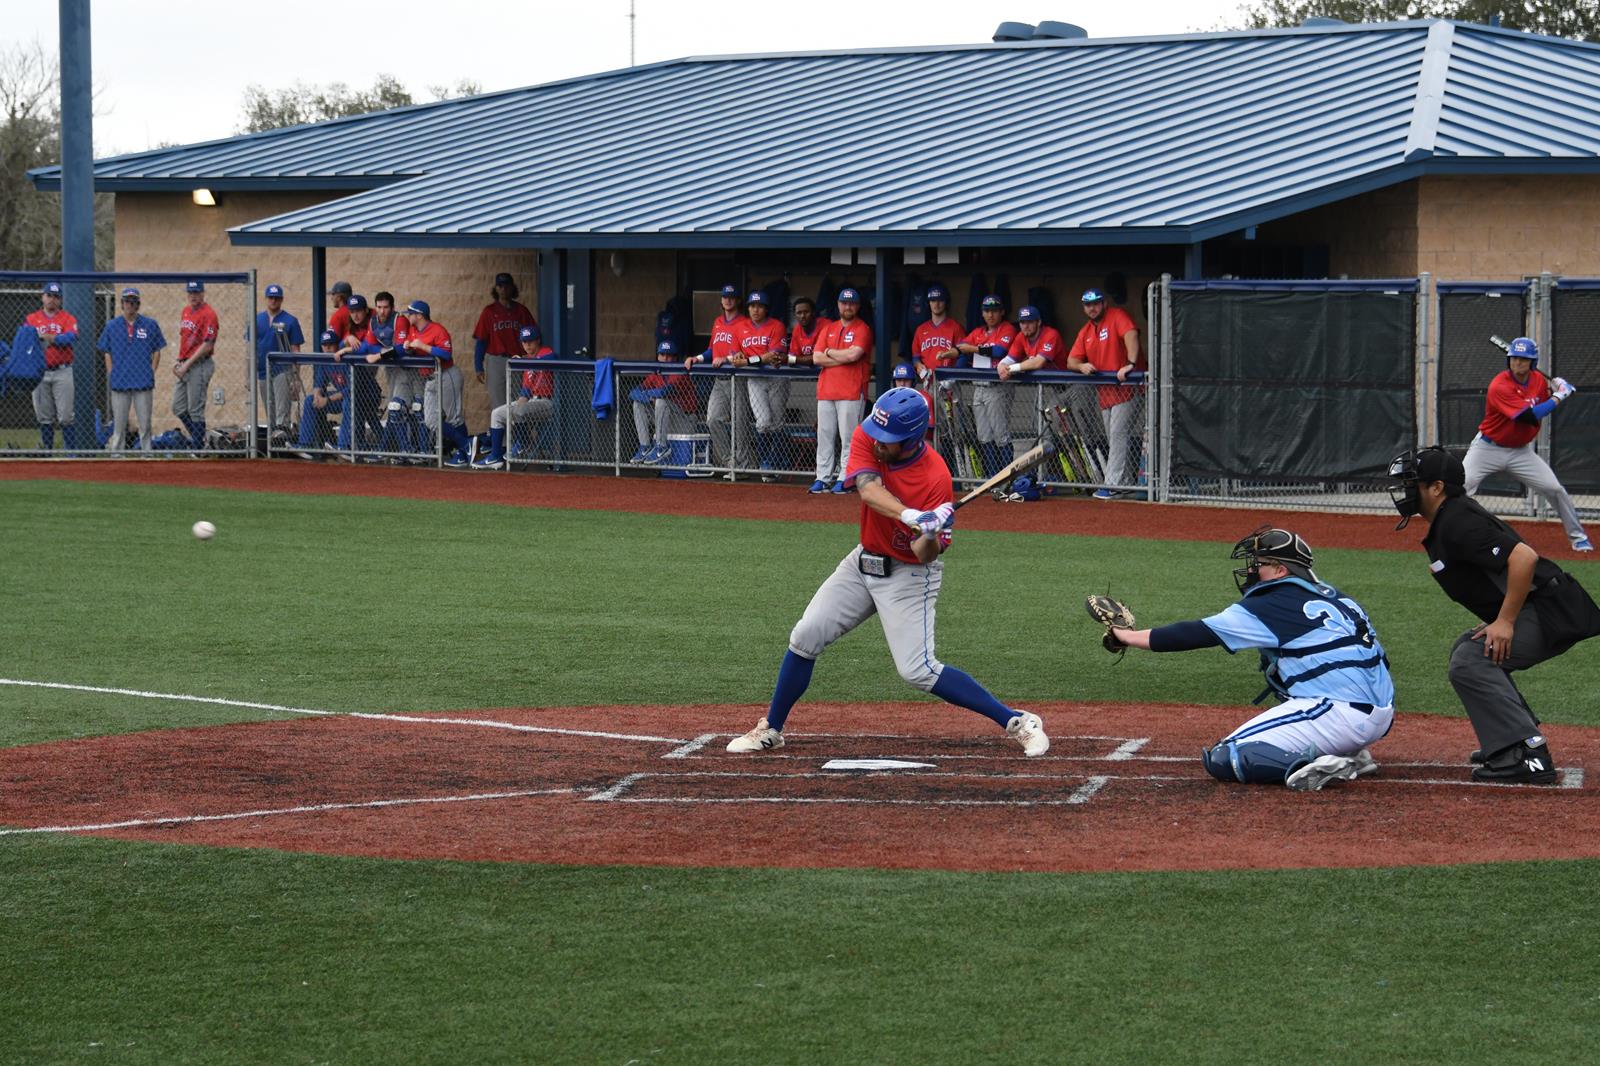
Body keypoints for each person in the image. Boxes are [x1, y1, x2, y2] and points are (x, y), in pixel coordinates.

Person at [727, 386, 1048, 757]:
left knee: (918, 670)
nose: (878, 442)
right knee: (807, 633)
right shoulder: (869, 433)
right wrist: (910, 514)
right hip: (863, 561)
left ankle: (1018, 721)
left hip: (909, 576)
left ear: (912, 439)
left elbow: (923, 555)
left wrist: (929, 531)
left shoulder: (935, 480)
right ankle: (772, 728)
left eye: (889, 440)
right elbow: (867, 489)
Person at [1103, 526, 1396, 791]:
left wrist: (1126, 636)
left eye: (1259, 563)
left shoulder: (1271, 603)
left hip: (1338, 714)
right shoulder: (1337, 598)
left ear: (1280, 570)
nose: (1252, 569)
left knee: (1226, 757)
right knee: (1289, 671)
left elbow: (1196, 633)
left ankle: (1311, 766)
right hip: (1380, 713)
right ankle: (1349, 750)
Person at [1389, 446, 1600, 783]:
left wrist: (1505, 621)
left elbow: (1524, 558)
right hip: (1545, 605)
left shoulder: (1457, 521)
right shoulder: (1450, 518)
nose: (1405, 491)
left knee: (1472, 660)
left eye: (1412, 483)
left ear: (1437, 488)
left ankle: (1527, 753)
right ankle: (1505, 739)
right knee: (1468, 646)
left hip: (1552, 611)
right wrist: (1499, 617)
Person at [1462, 336, 1590, 552]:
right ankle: (1448, 533)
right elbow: (1528, 416)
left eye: (1523, 359)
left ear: (1532, 363)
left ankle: (1578, 538)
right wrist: (1560, 395)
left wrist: (1553, 390)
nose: (1517, 363)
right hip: (1487, 448)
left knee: (1554, 488)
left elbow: (1541, 402)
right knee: (1460, 488)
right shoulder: (1499, 385)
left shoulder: (1538, 381)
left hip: (1521, 452)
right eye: (1514, 358)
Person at [1064, 288, 1142, 499]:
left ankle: (1112, 484)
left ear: (1104, 303)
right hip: (1105, 394)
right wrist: (1081, 367)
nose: (1092, 308)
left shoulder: (1117, 316)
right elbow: (1071, 361)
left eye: (1096, 303)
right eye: (1088, 305)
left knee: (1117, 435)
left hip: (1128, 388)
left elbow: (1131, 335)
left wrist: (1131, 364)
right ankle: (1124, 483)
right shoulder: (1086, 331)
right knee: (1114, 437)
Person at [810, 287, 874, 495]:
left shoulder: (862, 328)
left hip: (851, 391)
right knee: (825, 436)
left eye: (852, 303)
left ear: (857, 306)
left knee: (849, 438)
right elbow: (816, 357)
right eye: (844, 303)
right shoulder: (828, 328)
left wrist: (829, 353)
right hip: (826, 391)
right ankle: (823, 477)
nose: (848, 306)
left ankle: (846, 477)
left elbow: (853, 356)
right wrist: (837, 356)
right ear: (838, 305)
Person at [396, 300, 473, 466]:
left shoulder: (438, 330)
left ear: (419, 315)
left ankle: (462, 453)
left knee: (454, 418)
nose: (408, 316)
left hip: (447, 375)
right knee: (430, 420)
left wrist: (423, 346)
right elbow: (409, 348)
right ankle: (467, 444)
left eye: (411, 313)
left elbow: (446, 354)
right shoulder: (413, 330)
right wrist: (408, 348)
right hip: (430, 379)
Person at [685, 284, 752, 475]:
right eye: (725, 297)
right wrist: (696, 358)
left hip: (738, 378)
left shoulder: (745, 323)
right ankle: (730, 462)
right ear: (721, 300)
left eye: (732, 297)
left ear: (738, 300)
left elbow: (745, 353)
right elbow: (711, 350)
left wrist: (727, 359)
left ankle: (742, 467)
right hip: (719, 380)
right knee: (713, 419)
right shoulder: (718, 322)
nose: (728, 300)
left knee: (740, 423)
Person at [951, 294, 1019, 480]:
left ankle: (1007, 478)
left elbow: (999, 351)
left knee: (1000, 433)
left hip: (998, 387)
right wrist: (953, 356)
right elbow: (961, 350)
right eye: (987, 311)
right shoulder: (978, 332)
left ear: (1002, 312)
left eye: (995, 311)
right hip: (978, 388)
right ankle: (991, 477)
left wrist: (972, 349)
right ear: (982, 313)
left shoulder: (1008, 329)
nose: (991, 315)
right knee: (984, 435)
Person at [473, 324, 556, 469]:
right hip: (531, 402)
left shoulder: (545, 351)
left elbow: (551, 358)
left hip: (547, 402)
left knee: (519, 410)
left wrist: (524, 360)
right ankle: (495, 457)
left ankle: (523, 443)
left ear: (538, 340)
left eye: (531, 341)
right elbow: (525, 392)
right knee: (497, 413)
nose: (528, 344)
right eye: (524, 342)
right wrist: (517, 402)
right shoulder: (527, 362)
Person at [96, 287, 166, 454]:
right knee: (119, 425)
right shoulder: (112, 326)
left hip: (143, 381)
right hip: (120, 381)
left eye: (133, 301)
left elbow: (157, 349)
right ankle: (117, 455)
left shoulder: (150, 325)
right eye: (127, 301)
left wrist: (152, 370)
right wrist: (111, 372)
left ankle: (147, 455)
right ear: (122, 304)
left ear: (138, 304)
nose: (130, 304)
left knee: (145, 424)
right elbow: (107, 351)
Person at [733, 291, 791, 481]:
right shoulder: (740, 327)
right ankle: (765, 461)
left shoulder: (777, 325)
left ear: (766, 309)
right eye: (752, 306)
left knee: (777, 422)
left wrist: (749, 360)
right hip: (755, 379)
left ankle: (776, 463)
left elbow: (773, 356)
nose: (755, 310)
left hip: (777, 378)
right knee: (763, 422)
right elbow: (736, 356)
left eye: (759, 306)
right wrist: (747, 359)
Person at [625, 339, 698, 465]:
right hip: (665, 420)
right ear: (658, 356)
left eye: (669, 355)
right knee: (637, 403)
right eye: (662, 355)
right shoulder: (657, 373)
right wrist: (647, 396)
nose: (665, 358)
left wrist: (647, 394)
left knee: (660, 401)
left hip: (685, 421)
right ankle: (645, 447)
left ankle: (661, 446)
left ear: (675, 358)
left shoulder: (680, 371)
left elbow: (664, 392)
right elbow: (632, 393)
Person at [473, 272, 539, 412]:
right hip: (496, 360)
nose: (503, 289)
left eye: (506, 286)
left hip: (518, 360)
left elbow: (535, 338)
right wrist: (478, 366)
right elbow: (481, 340)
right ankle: (501, 434)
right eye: (500, 286)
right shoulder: (489, 312)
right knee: (498, 405)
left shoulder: (521, 311)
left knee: (519, 402)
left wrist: (533, 360)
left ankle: (518, 434)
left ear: (512, 288)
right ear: (496, 289)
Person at [26, 281, 79, 451]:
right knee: (44, 416)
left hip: (62, 370)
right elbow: (27, 340)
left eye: (56, 297)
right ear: (43, 297)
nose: (52, 299)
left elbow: (71, 338)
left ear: (60, 300)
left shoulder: (67, 318)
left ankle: (70, 453)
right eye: (49, 295)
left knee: (65, 416)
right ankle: (47, 451)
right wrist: (56, 338)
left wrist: (49, 338)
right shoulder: (32, 318)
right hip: (39, 371)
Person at [332, 294, 384, 454]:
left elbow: (365, 347)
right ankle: (359, 444)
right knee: (360, 407)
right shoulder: (352, 327)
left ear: (365, 310)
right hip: (361, 380)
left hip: (370, 376)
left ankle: (345, 445)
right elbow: (340, 343)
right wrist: (347, 339)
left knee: (354, 401)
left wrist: (347, 346)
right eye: (352, 311)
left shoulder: (373, 322)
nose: (355, 315)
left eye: (359, 311)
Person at [173, 280, 219, 449]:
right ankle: (202, 441)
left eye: (197, 293)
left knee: (195, 410)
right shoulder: (186, 311)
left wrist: (187, 364)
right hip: (185, 363)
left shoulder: (209, 314)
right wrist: (179, 361)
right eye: (191, 293)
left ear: (203, 293)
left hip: (200, 364)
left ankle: (199, 449)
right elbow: (185, 339)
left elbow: (208, 344)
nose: (193, 296)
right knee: (177, 406)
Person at [254, 283, 304, 435]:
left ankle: (281, 441)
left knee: (282, 411)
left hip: (282, 370)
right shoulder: (258, 319)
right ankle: (272, 445)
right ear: (266, 299)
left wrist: (296, 378)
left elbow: (296, 350)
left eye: (276, 298)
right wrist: (248, 375)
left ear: (281, 299)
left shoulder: (290, 320)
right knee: (270, 411)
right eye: (270, 297)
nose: (273, 301)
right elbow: (250, 348)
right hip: (262, 371)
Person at [296, 329, 347, 455]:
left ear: (337, 344)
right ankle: (306, 445)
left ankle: (343, 446)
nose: (328, 348)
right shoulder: (325, 360)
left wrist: (328, 400)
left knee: (348, 402)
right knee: (309, 401)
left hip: (360, 398)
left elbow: (352, 390)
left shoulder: (345, 359)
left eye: (331, 344)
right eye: (325, 345)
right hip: (340, 399)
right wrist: (317, 396)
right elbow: (318, 384)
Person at [911, 284, 962, 392]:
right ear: (928, 303)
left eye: (940, 300)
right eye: (933, 300)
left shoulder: (956, 327)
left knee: (951, 409)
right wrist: (918, 365)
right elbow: (915, 357)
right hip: (928, 382)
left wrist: (954, 375)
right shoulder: (920, 329)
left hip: (949, 383)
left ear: (946, 303)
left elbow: (963, 355)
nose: (936, 304)